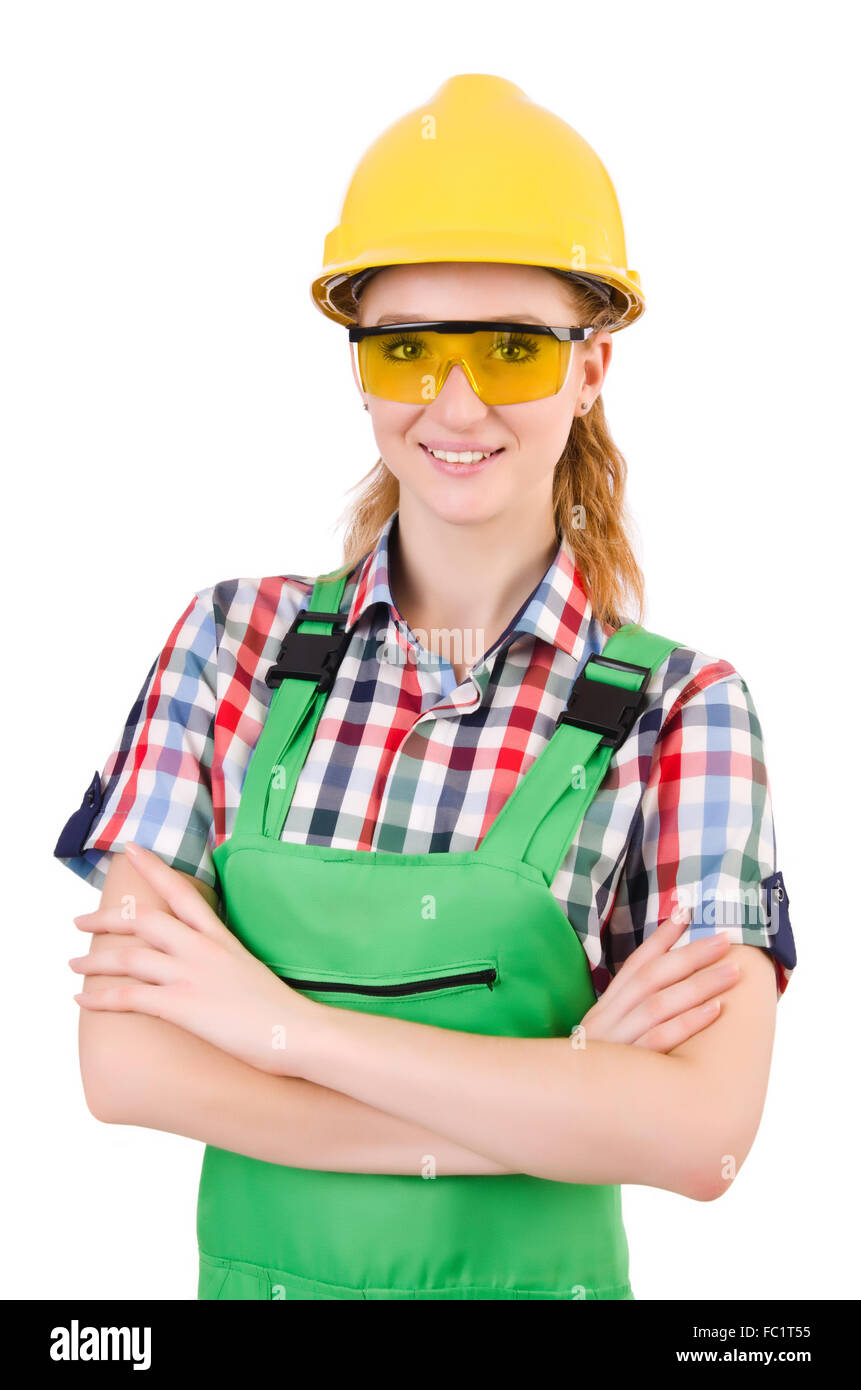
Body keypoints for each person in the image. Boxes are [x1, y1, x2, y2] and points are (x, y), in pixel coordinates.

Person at [55, 73, 797, 1301]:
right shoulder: (228, 644)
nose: (453, 405)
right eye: (408, 350)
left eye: (510, 350)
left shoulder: (687, 716)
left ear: (592, 365)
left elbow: (700, 1137)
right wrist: (553, 1095)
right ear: (361, 365)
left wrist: (269, 1023)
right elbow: (124, 1065)